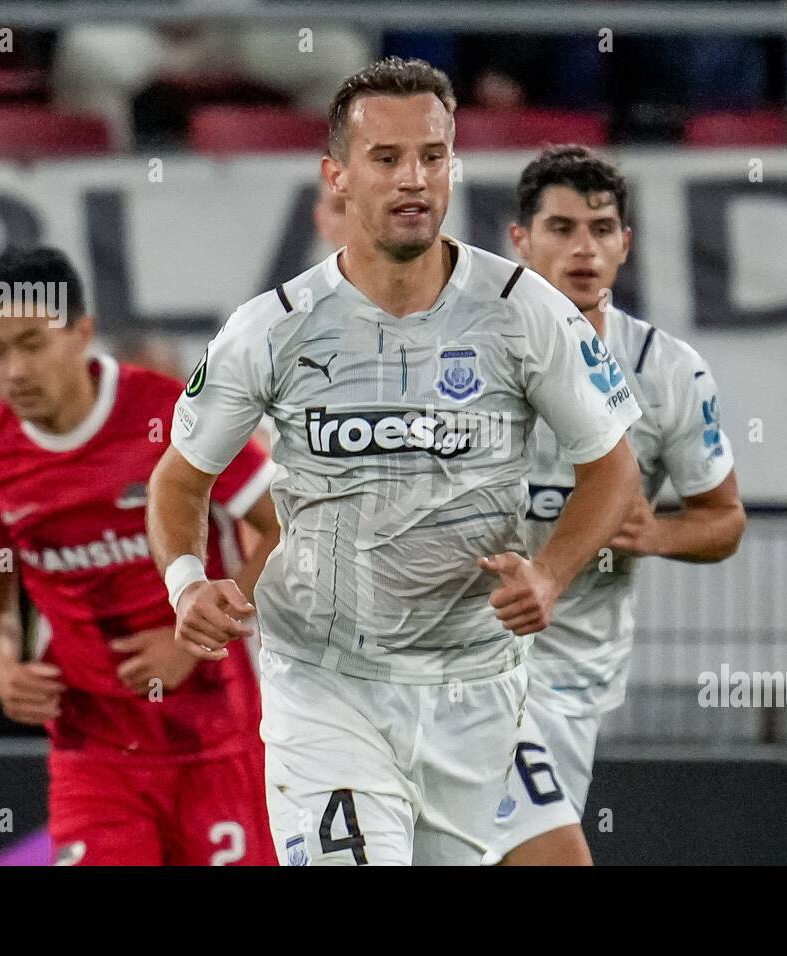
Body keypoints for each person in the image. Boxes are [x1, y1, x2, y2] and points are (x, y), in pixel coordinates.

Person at [147, 57, 642, 866]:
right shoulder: (271, 330)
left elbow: (611, 466)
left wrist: (550, 573)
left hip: (473, 690)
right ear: (336, 174)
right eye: (386, 158)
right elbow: (181, 477)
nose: (414, 178)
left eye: (433, 156)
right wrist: (185, 580)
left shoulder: (527, 314)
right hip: (326, 684)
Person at [0, 246, 280, 865]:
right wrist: (2, 671)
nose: (14, 370)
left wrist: (192, 641)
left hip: (218, 738)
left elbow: (288, 530)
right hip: (93, 754)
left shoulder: (177, 414)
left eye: (32, 343)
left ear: (81, 332)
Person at [486, 146, 746, 863]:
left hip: (575, 678)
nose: (583, 248)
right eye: (562, 228)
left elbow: (723, 519)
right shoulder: (470, 356)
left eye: (601, 229)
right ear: (521, 241)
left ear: (625, 245)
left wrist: (655, 535)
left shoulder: (669, 372)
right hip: (463, 661)